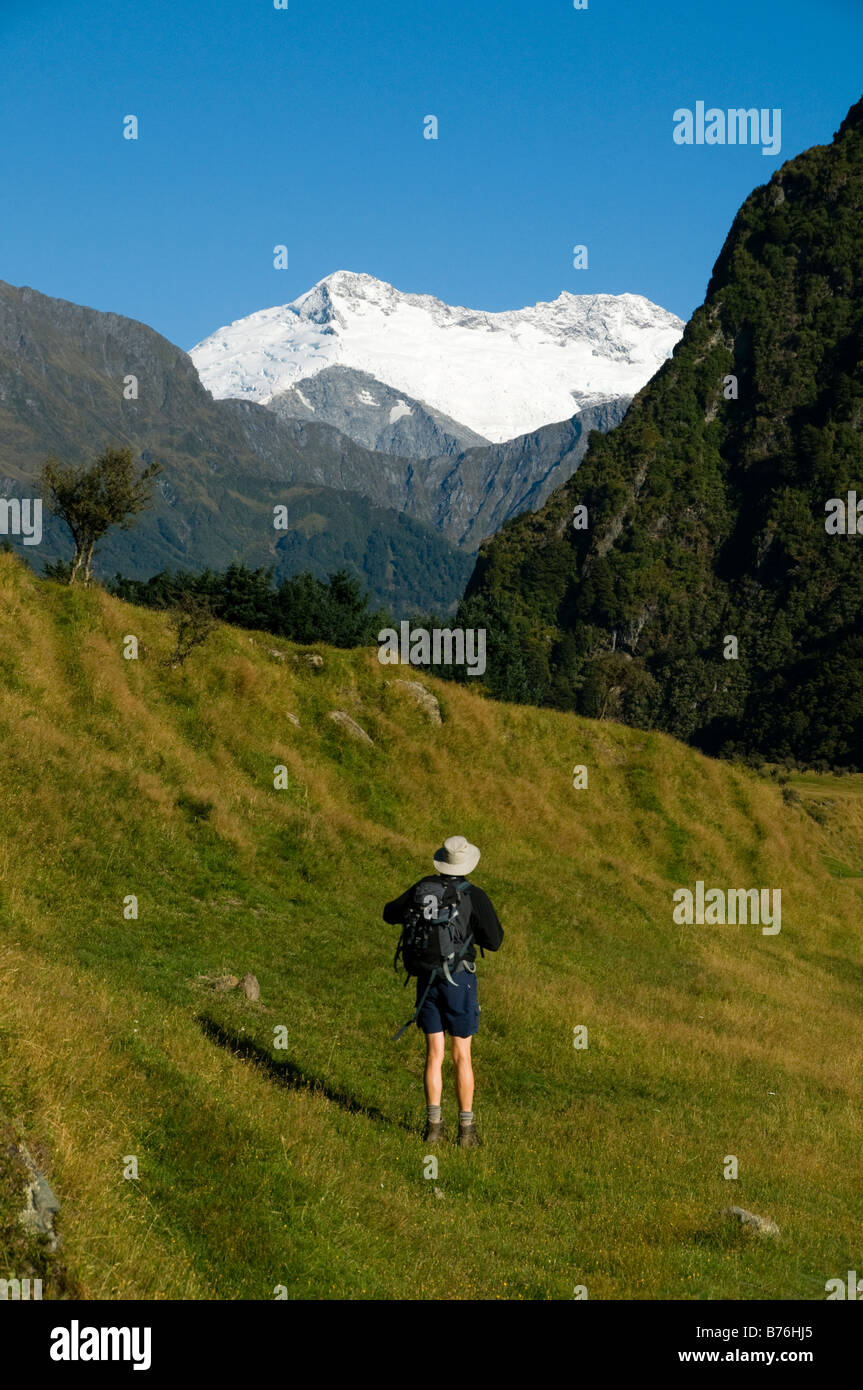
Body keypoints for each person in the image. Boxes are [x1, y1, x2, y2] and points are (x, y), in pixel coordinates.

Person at [383, 835, 503, 1147]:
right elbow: (495, 941)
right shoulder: (473, 895)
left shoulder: (422, 888)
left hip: (427, 978)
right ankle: (466, 1132)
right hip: (460, 980)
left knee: (434, 1053)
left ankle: (433, 1128)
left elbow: (389, 913)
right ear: (466, 864)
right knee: (461, 1054)